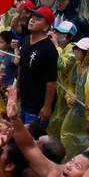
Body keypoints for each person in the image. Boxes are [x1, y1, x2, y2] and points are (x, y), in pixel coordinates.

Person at [16, 7, 59, 136]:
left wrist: (46, 107)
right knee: (20, 133)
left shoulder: (49, 49)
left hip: (37, 104)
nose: (32, 20)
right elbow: (21, 67)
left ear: (46, 27)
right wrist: (17, 88)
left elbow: (51, 82)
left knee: (32, 139)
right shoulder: (26, 39)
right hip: (24, 99)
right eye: (33, 16)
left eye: (38, 18)